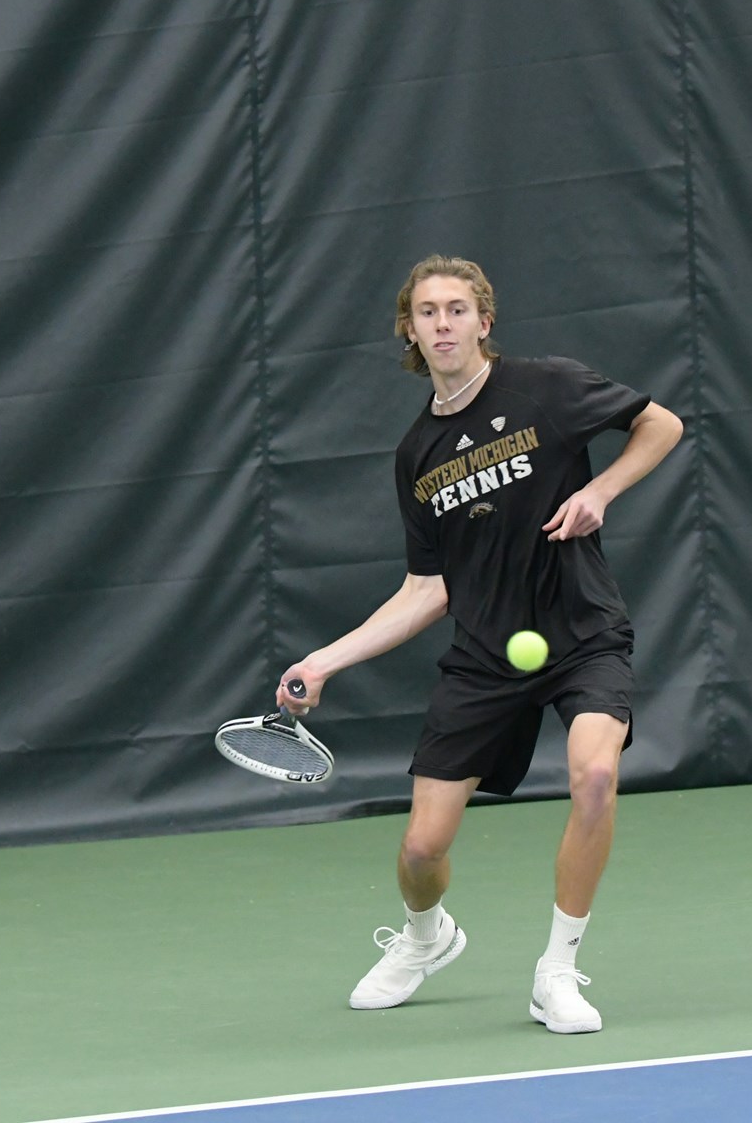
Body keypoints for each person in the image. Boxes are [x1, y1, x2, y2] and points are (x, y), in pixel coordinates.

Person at [276, 254, 683, 1034]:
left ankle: (557, 973)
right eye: (427, 312)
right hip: (486, 654)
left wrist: (599, 491)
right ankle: (427, 937)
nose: (443, 324)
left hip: (583, 631)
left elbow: (660, 424)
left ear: (484, 322)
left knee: (595, 777)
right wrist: (324, 660)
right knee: (423, 847)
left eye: (457, 309)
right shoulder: (416, 457)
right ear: (410, 330)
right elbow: (428, 589)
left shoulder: (548, 388)